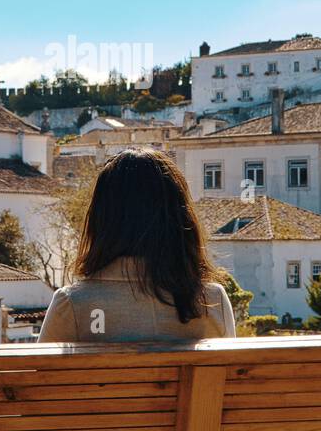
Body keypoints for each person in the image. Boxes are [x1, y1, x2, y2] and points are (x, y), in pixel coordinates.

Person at [38, 146, 236, 342]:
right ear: (180, 220)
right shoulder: (212, 301)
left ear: (102, 219)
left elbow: (39, 373)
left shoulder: (72, 305)